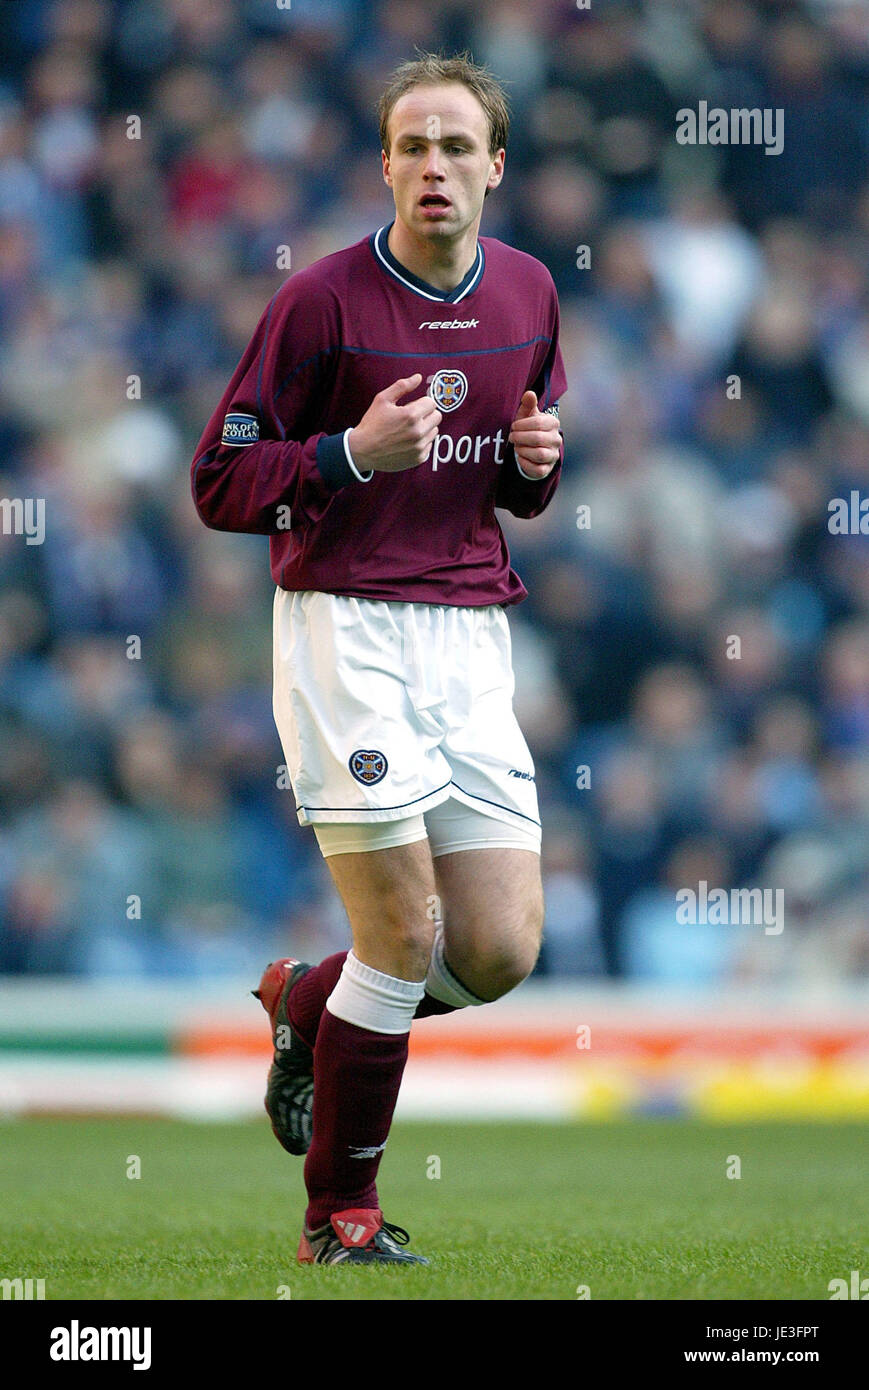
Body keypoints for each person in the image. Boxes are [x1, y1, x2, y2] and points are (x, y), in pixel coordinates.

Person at [190, 51, 567, 1266]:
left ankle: (311, 1000)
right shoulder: (322, 303)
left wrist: (533, 466)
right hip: (344, 626)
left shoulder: (526, 293)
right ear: (385, 166)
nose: (434, 166)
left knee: (498, 949)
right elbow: (218, 481)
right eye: (412, 145)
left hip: (467, 634)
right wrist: (349, 454)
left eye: (457, 146)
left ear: (495, 166)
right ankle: (336, 1213)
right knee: (403, 935)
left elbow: (510, 481)